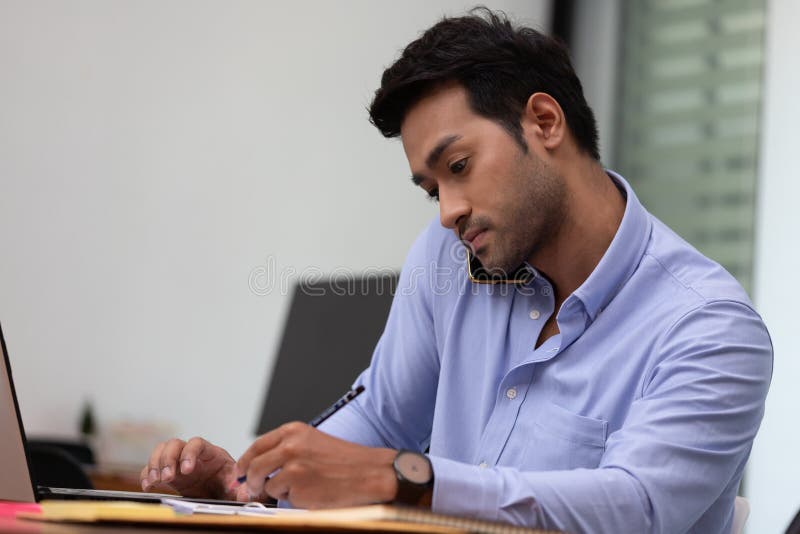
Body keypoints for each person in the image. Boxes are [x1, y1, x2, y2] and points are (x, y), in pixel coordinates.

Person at [139, 9, 772, 533]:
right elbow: (381, 420)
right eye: (431, 189)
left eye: (459, 166)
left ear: (545, 122)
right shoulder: (451, 258)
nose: (448, 212)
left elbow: (635, 509)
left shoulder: (710, 328)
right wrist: (249, 488)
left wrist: (411, 481)